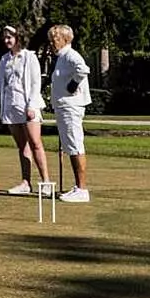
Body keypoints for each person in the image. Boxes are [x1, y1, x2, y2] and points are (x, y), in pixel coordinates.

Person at [0, 26, 50, 193]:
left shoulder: (29, 57)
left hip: (28, 106)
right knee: (22, 146)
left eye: (10, 37)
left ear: (18, 38)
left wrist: (31, 106)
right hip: (11, 106)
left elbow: (35, 83)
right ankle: (25, 182)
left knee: (36, 143)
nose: (6, 40)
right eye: (5, 37)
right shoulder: (4, 59)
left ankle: (46, 182)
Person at [48, 24, 92, 203]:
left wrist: (72, 85)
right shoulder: (61, 57)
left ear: (65, 39)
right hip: (63, 106)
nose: (51, 42)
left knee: (75, 145)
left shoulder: (71, 55)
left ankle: (82, 189)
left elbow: (83, 69)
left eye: (55, 39)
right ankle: (77, 186)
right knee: (70, 145)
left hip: (71, 106)